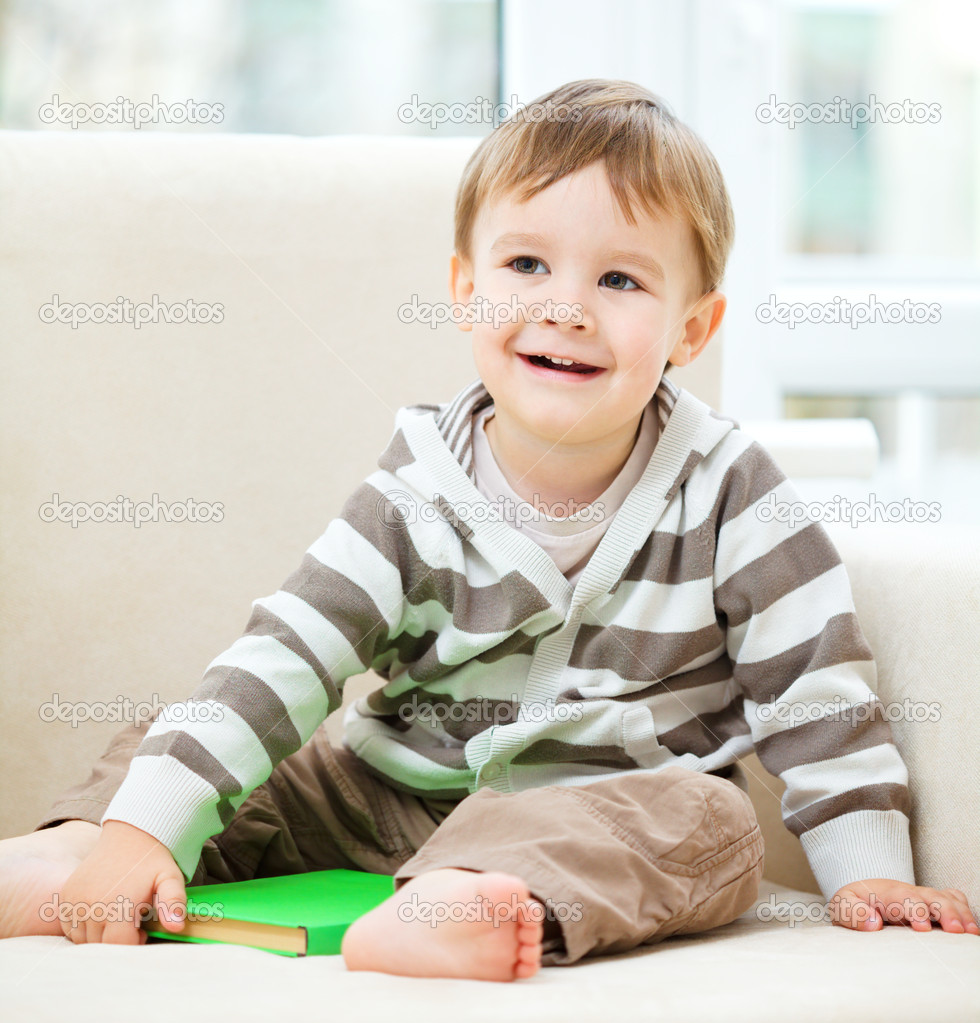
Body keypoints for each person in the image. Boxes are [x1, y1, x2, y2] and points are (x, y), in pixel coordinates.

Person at [2, 78, 976, 982]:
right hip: (377, 798)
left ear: (691, 328)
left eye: (621, 282)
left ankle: (452, 906)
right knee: (187, 742)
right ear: (465, 288)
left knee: (713, 821)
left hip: (590, 813)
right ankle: (81, 853)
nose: (564, 306)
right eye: (526, 264)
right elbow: (285, 653)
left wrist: (866, 870)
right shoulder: (411, 493)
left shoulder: (734, 493)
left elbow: (815, 692)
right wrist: (147, 822)